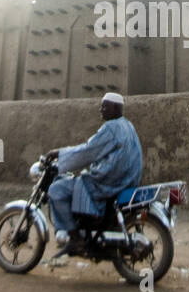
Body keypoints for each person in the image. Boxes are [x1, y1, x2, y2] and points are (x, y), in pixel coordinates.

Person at [44, 92, 143, 252]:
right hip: (126, 181)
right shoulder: (127, 125)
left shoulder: (111, 128)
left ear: (117, 108)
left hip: (108, 182)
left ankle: (75, 238)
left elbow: (88, 151)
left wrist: (59, 153)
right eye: (101, 105)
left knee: (56, 189)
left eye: (105, 106)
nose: (101, 109)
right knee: (77, 181)